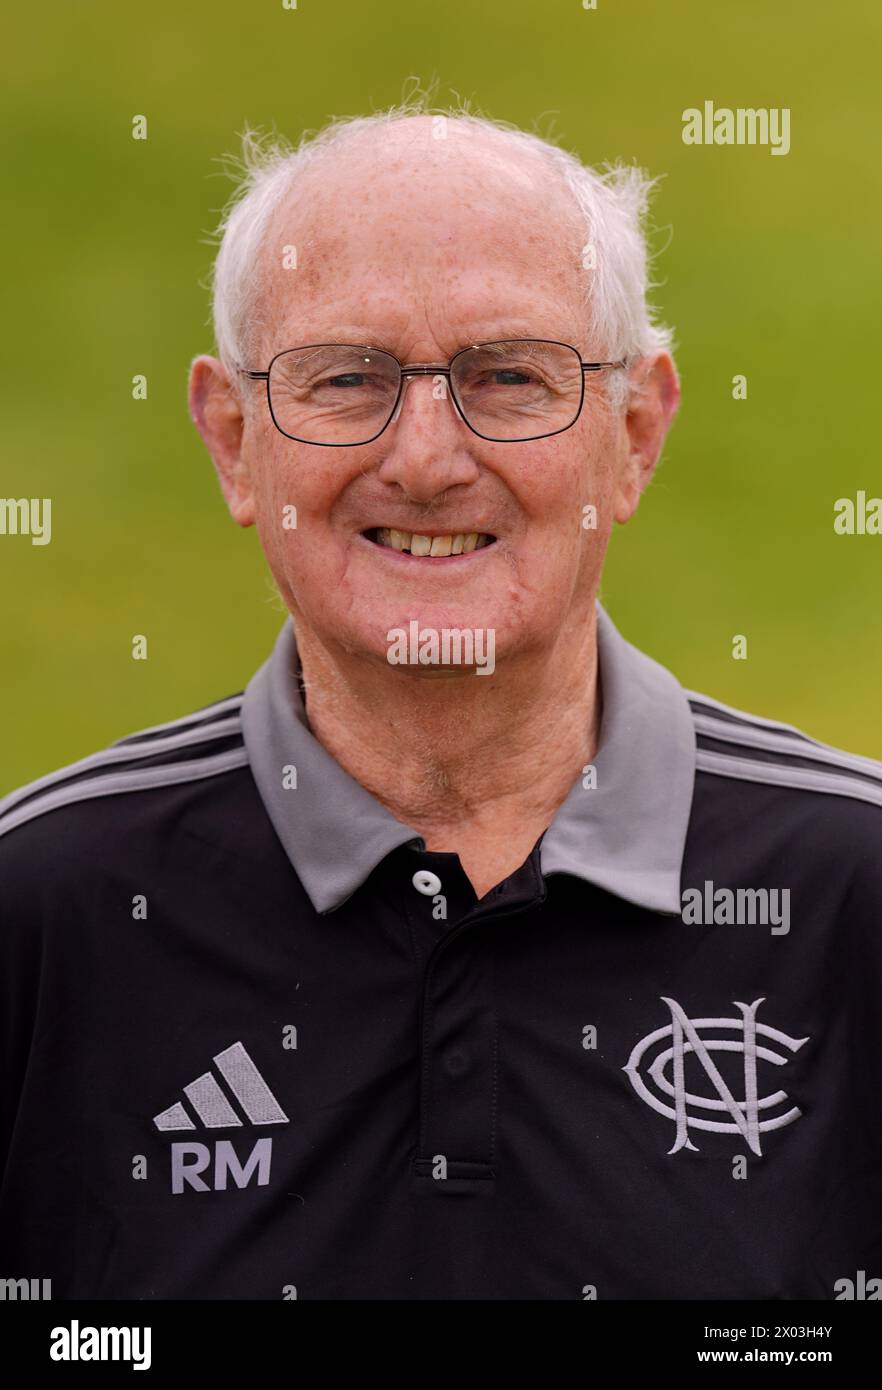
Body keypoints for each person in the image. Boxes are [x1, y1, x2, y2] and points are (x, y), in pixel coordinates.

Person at [1, 104, 880, 1300]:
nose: (423, 457)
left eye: (508, 376)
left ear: (635, 433)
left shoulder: (853, 893)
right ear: (231, 440)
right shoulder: (43, 912)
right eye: (346, 378)